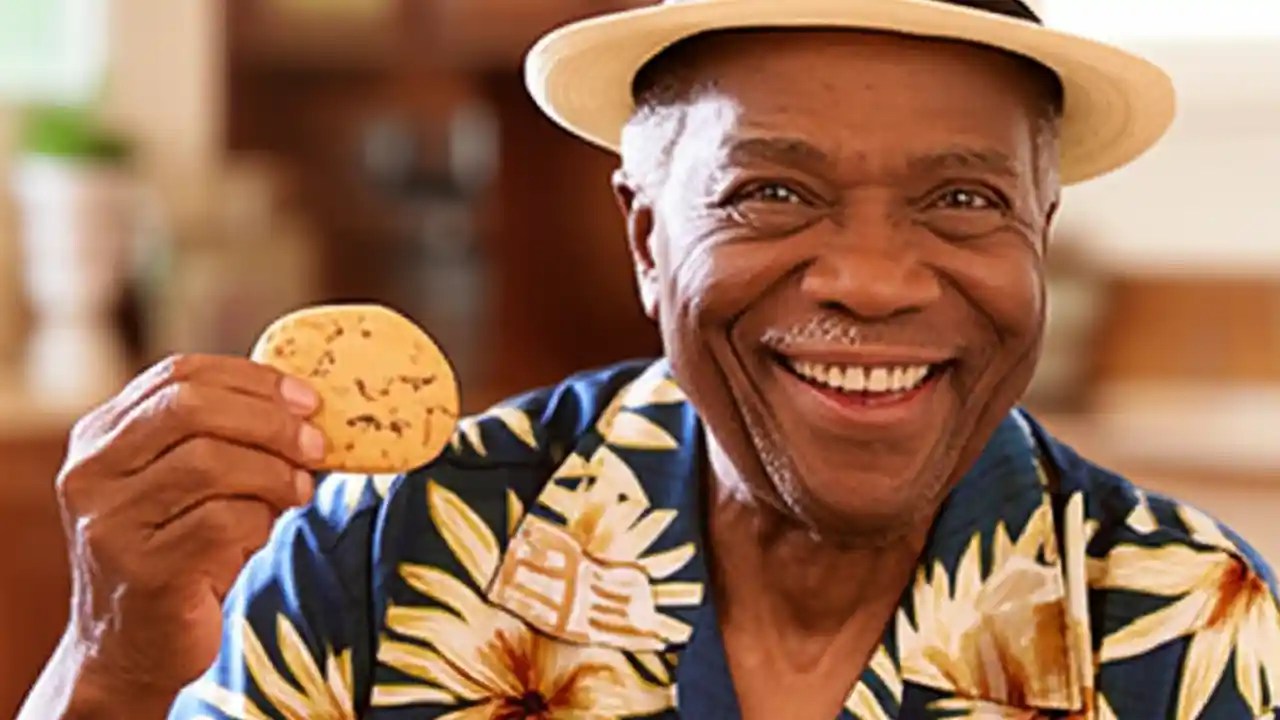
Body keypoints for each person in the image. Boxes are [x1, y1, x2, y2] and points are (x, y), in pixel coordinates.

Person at [19, 0, 1280, 718]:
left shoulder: (1189, 629)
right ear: (644, 236)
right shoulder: (388, 555)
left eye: (962, 204)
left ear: (1038, 239)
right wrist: (114, 646)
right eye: (770, 194)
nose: (872, 278)